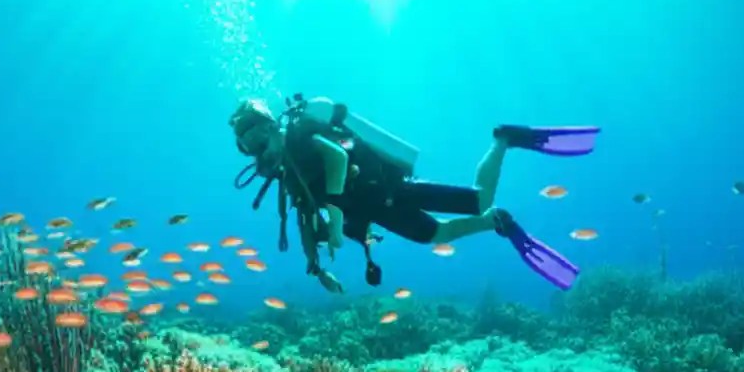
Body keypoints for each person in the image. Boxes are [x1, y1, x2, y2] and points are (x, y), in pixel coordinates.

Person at [229, 93, 597, 292]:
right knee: (436, 234)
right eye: (247, 144)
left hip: (388, 189)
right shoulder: (287, 174)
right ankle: (493, 222)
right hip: (376, 208)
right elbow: (303, 218)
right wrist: (315, 268)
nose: (257, 147)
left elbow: (338, 157)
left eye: (258, 134)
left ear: (270, 126)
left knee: (477, 198)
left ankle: (503, 139)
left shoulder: (300, 136)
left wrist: (338, 212)